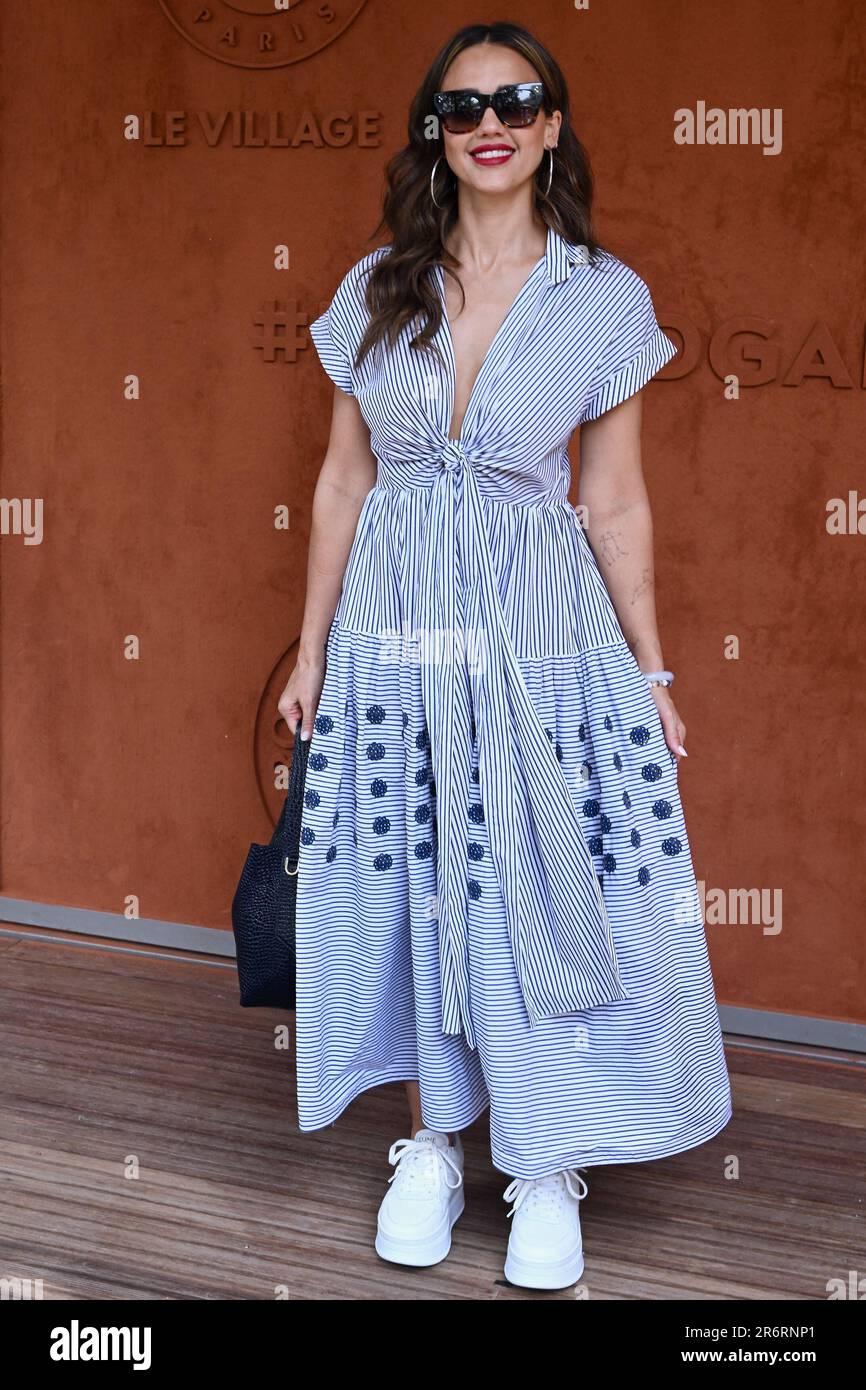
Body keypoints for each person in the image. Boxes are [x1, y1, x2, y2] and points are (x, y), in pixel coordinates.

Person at [278, 20, 732, 1292]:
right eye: (465, 102)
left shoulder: (603, 298)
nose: (492, 120)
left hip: (538, 642)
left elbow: (617, 502)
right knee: (418, 874)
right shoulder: (375, 289)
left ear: (547, 129)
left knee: (538, 880)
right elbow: (338, 483)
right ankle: (430, 1138)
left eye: (518, 102)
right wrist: (309, 653)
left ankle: (542, 1158)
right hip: (392, 636)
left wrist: (651, 673)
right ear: (437, 127)